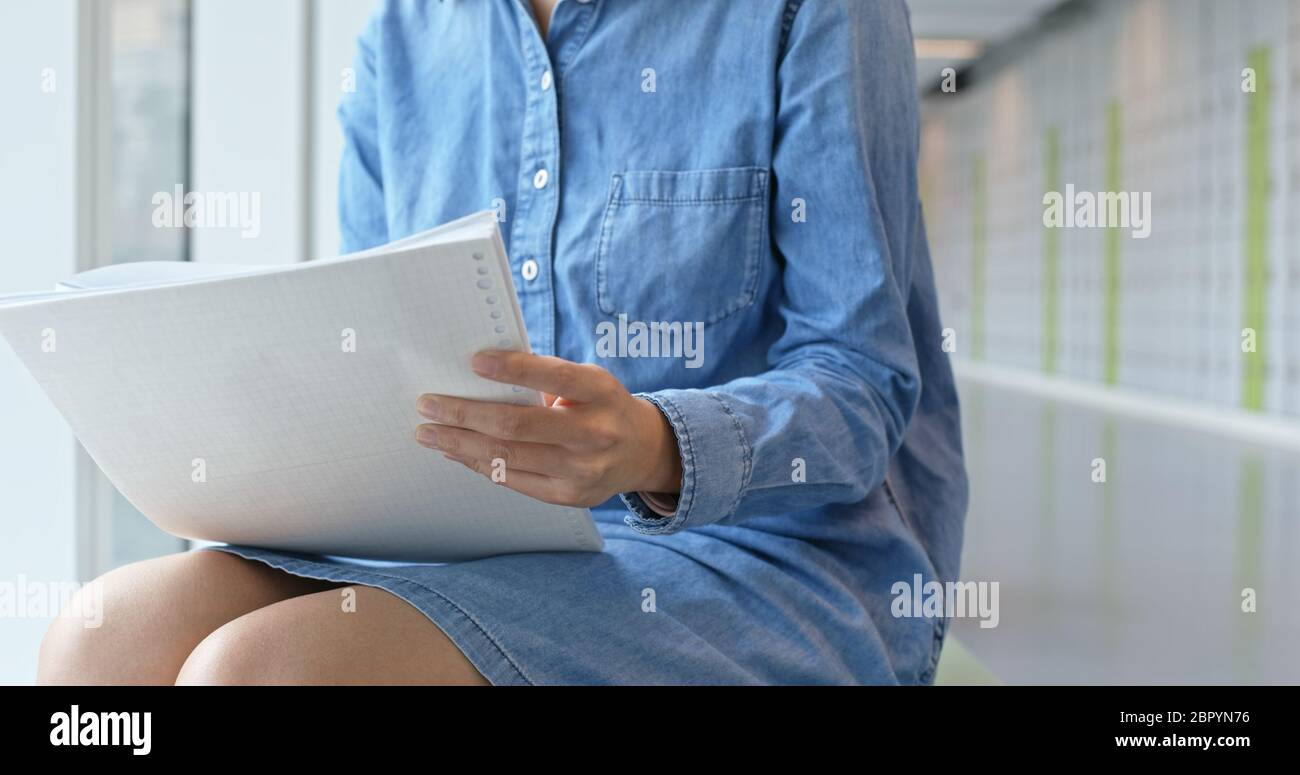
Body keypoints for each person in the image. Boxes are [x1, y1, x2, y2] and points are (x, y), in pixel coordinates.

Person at [39, 0, 967, 685]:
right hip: (466, 543)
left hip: (757, 554)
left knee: (264, 673)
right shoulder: (401, 39)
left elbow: (862, 382)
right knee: (102, 636)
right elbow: (367, 350)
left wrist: (651, 442)